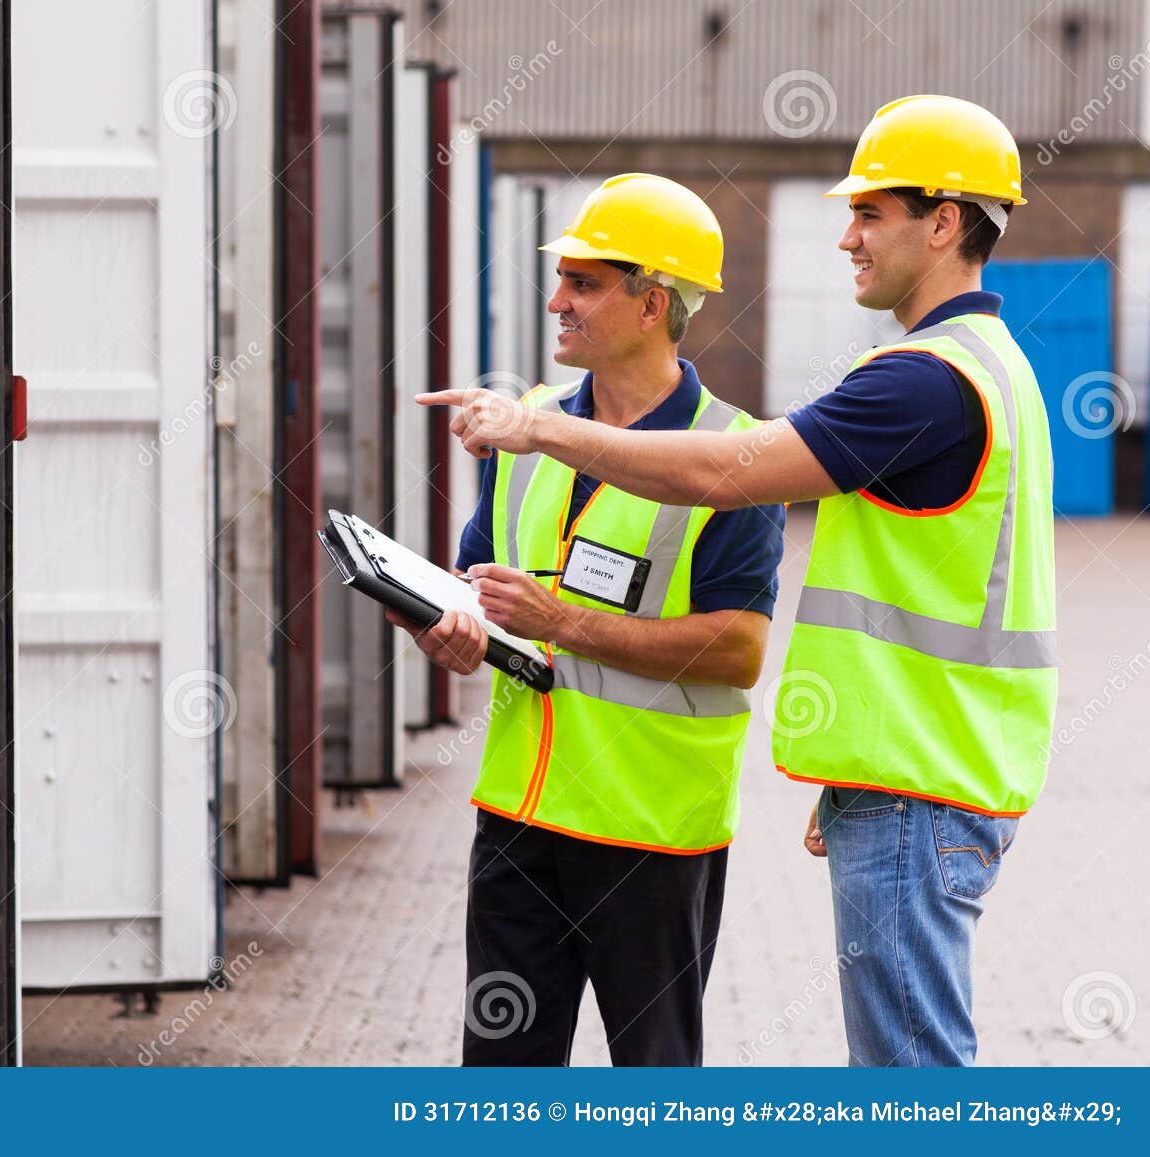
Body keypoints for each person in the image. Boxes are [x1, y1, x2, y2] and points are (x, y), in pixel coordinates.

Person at [419, 96, 1057, 1067]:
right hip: (911, 781)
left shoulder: (925, 379)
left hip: (872, 797)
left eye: (869, 212)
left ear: (942, 221)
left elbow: (727, 472)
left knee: (911, 1084)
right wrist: (861, 781)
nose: (846, 235)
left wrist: (536, 427)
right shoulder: (989, 368)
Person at [394, 173, 786, 1066]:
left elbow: (737, 649)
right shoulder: (525, 433)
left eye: (582, 282)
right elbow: (478, 592)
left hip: (650, 834)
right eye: (560, 278)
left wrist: (562, 623)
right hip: (519, 822)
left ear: (652, 304)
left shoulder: (736, 455)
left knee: (651, 1083)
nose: (555, 301)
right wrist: (445, 629)